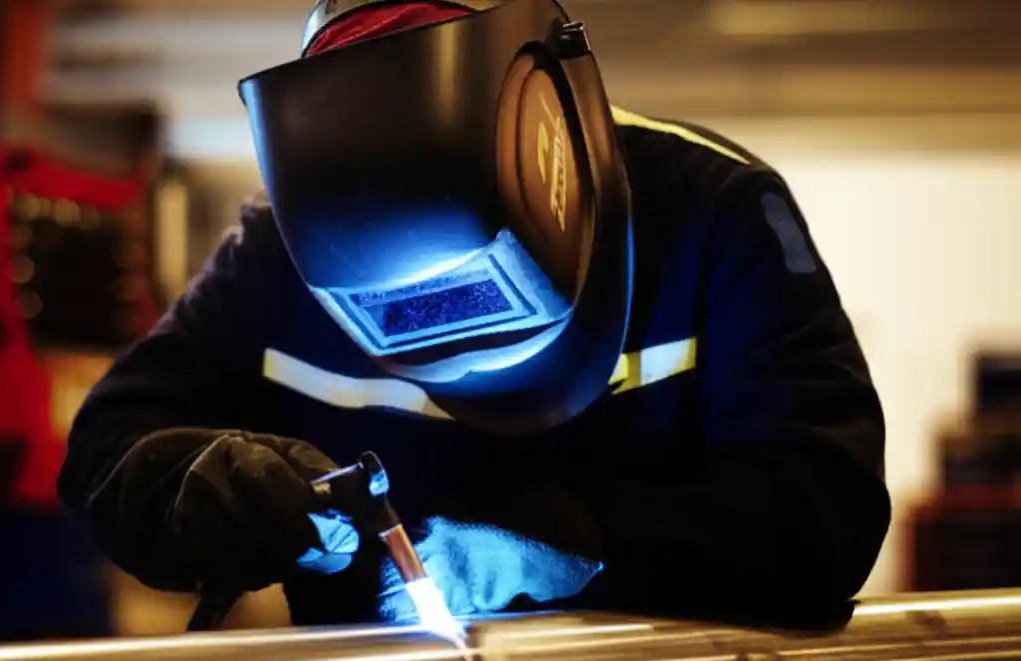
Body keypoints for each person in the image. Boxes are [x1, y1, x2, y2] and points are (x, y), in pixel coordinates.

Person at [58, 0, 891, 626]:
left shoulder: (713, 214)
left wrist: (584, 542)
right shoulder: (281, 251)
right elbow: (108, 445)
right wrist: (205, 487)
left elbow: (827, 511)